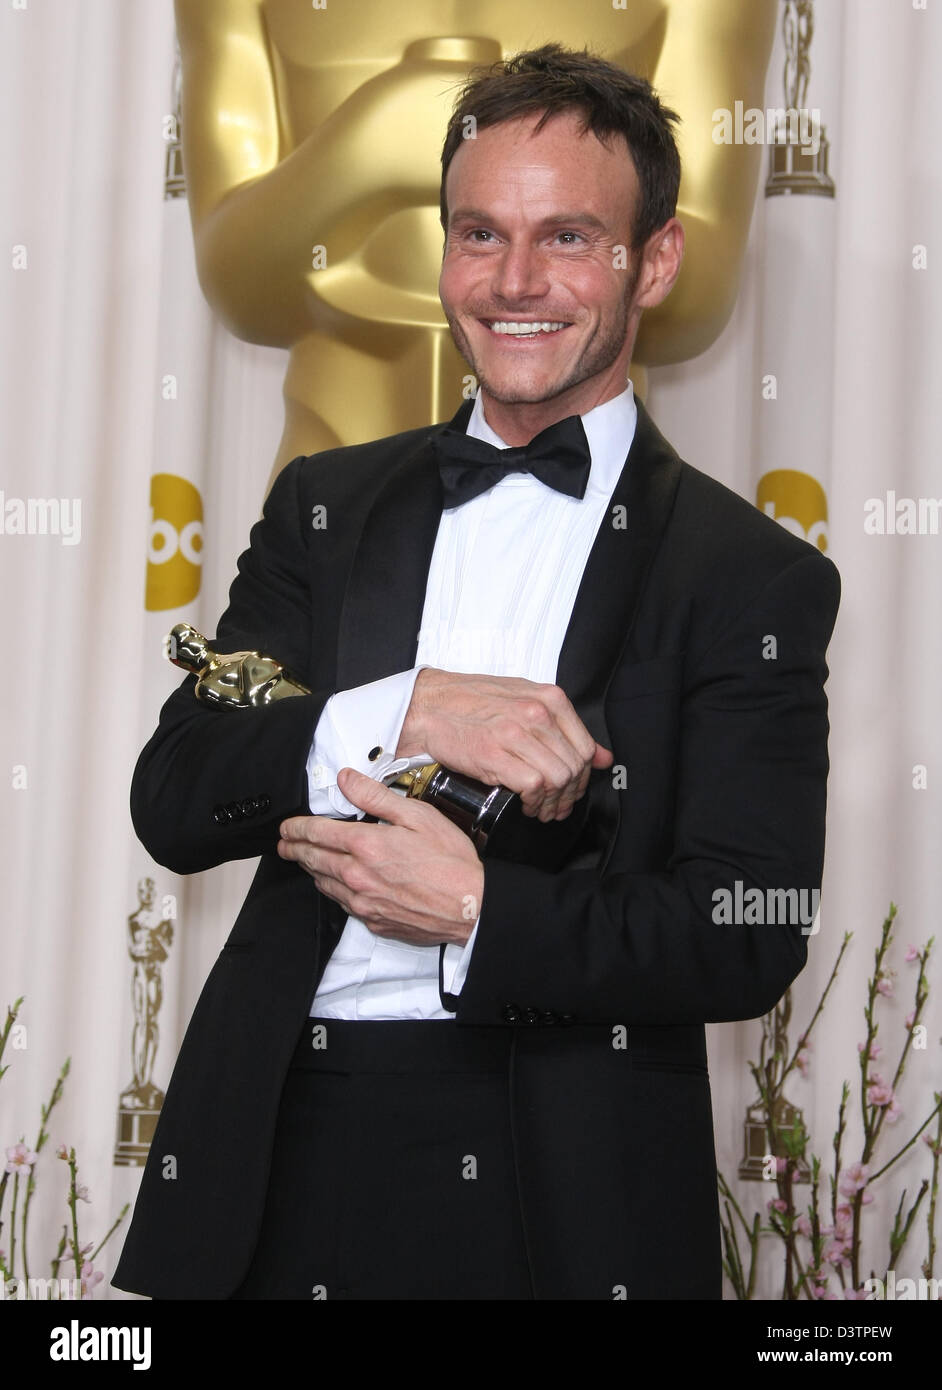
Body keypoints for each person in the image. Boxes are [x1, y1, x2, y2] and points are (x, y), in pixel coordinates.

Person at [113, 46, 840, 1301]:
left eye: (567, 236)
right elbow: (176, 797)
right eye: (478, 234)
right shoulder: (323, 506)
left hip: (561, 1166)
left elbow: (747, 930)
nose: (513, 283)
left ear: (650, 261)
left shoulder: (749, 576)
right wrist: (407, 706)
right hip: (280, 1135)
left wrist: (478, 915)